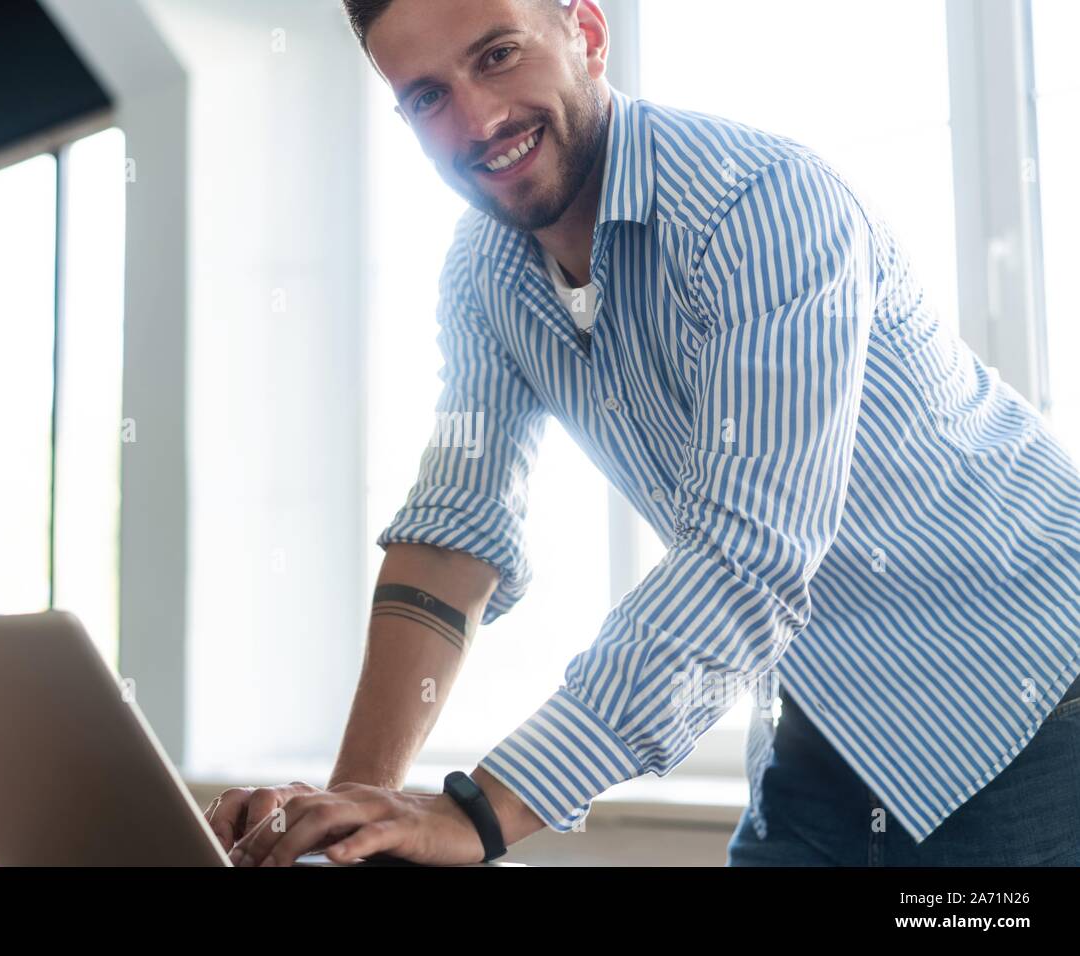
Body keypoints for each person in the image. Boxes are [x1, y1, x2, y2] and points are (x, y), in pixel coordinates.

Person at [211, 0, 1080, 867]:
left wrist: (479, 813)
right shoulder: (483, 275)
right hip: (824, 711)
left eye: (499, 55)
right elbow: (452, 536)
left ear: (585, 32)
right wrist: (349, 818)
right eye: (428, 97)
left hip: (1023, 692)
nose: (477, 120)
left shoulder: (759, 206)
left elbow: (746, 553)